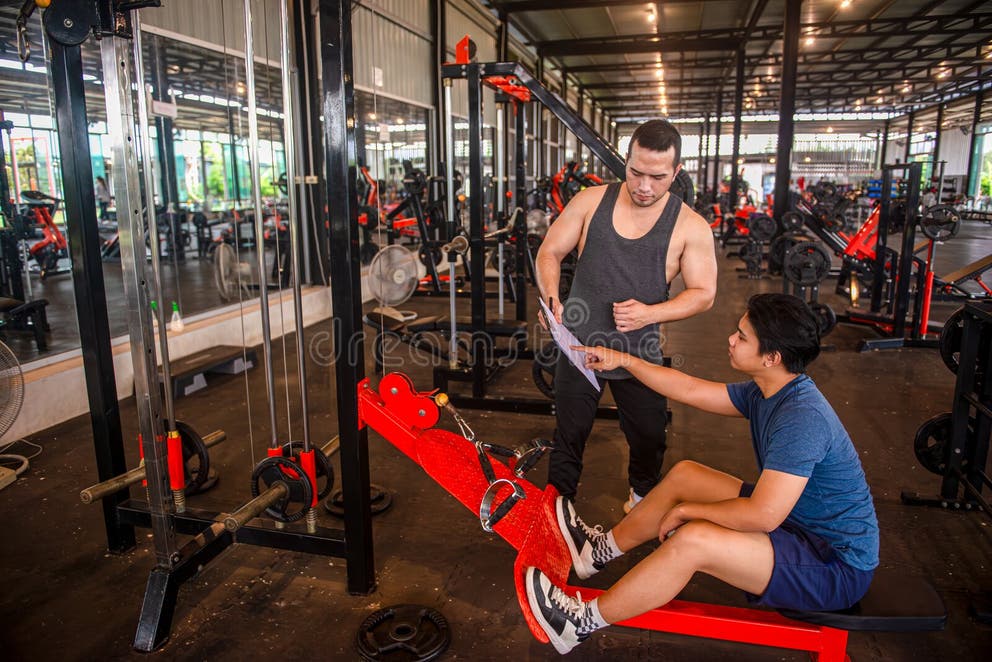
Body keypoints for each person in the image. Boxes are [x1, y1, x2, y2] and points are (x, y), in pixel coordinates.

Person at [524, 293, 880, 655]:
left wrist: (687, 511)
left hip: (834, 565)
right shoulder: (769, 390)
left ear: (772, 357)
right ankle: (593, 555)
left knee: (693, 540)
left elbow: (764, 515)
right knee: (687, 475)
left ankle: (577, 624)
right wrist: (623, 360)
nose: (730, 339)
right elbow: (690, 389)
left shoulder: (801, 418)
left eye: (742, 337)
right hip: (799, 523)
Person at [535, 119, 717, 511]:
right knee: (569, 435)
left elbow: (704, 294)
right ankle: (558, 510)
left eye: (657, 176)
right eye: (635, 172)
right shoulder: (590, 202)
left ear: (676, 172)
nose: (644, 186)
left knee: (649, 435)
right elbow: (549, 251)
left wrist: (651, 313)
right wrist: (552, 299)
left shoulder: (690, 226)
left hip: (638, 355)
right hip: (579, 347)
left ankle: (641, 496)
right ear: (626, 161)